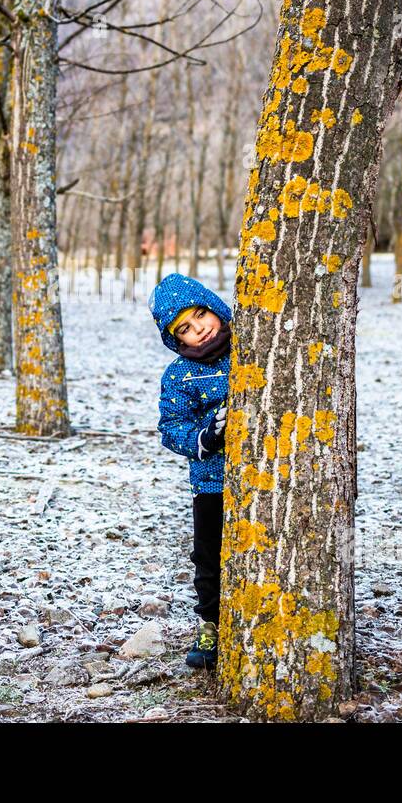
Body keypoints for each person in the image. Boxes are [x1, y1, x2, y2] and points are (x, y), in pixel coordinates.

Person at [147, 272, 231, 670]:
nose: (199, 328)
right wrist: (205, 437)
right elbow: (172, 427)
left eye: (201, 315)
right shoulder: (180, 375)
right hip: (212, 481)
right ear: (175, 339)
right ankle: (210, 623)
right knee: (208, 556)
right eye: (185, 328)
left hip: (266, 480)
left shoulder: (253, 351)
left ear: (214, 307)